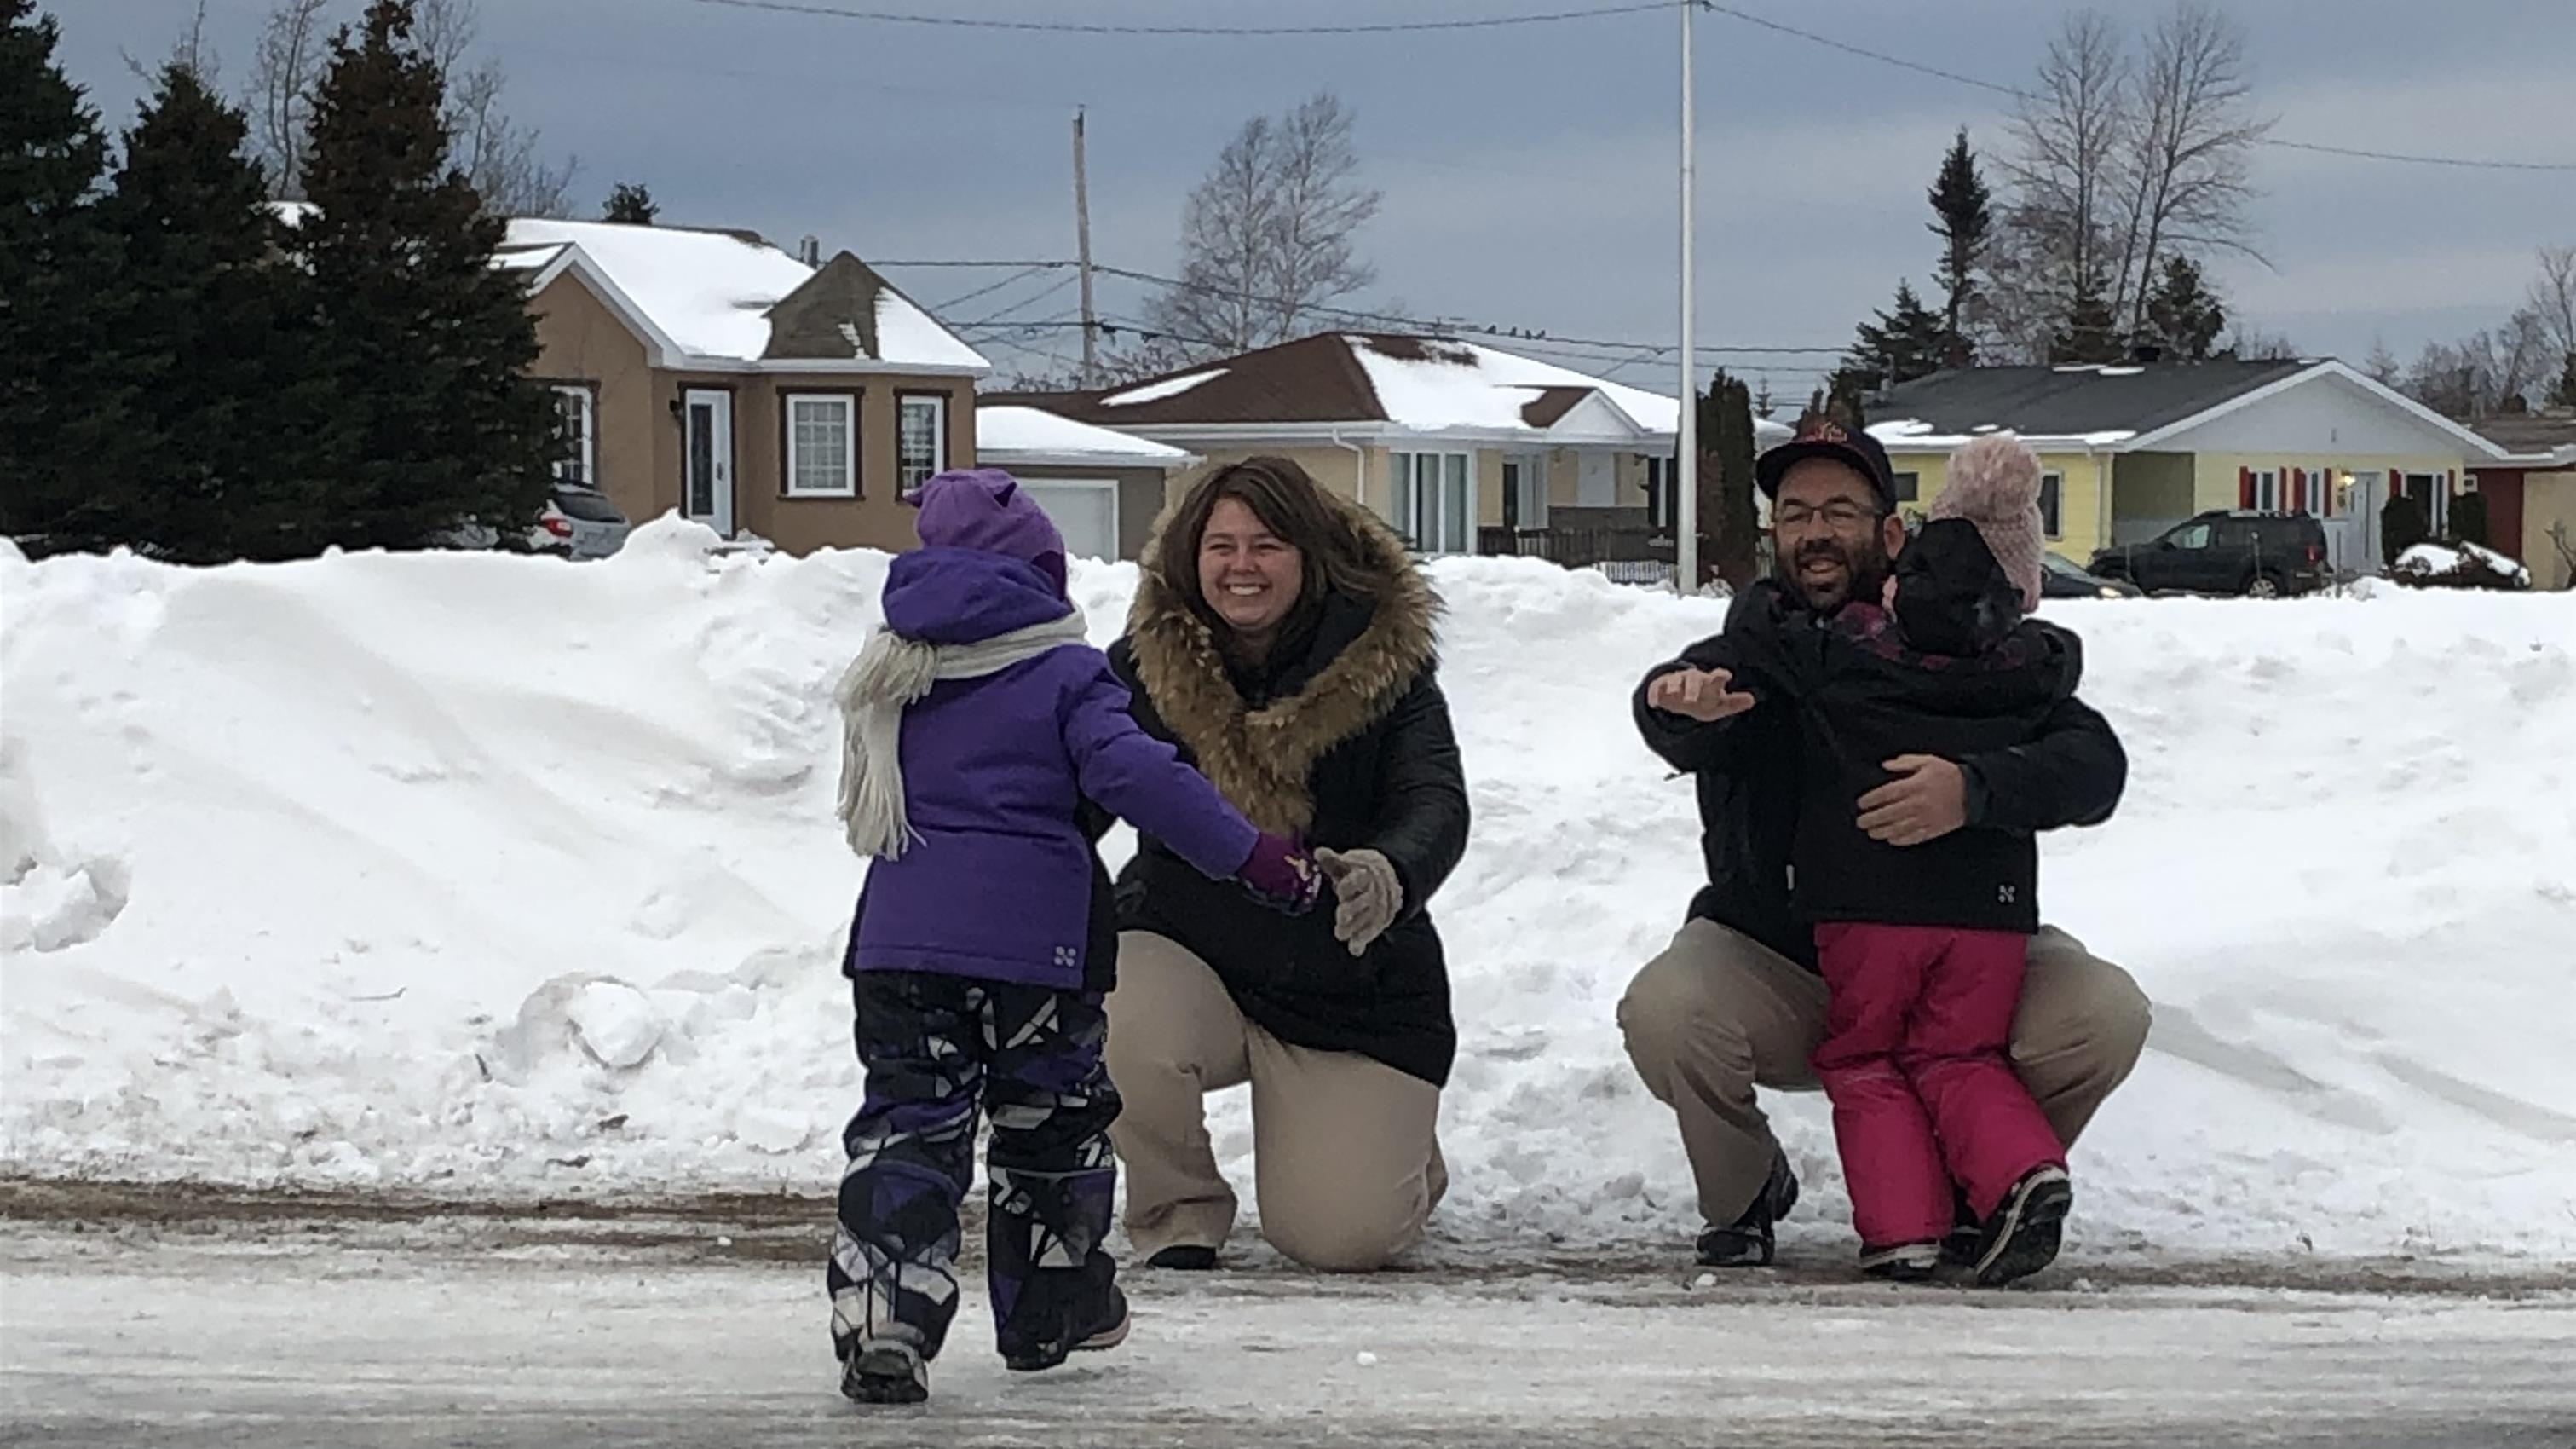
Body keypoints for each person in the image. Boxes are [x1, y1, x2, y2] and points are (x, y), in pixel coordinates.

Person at [825, 468, 1320, 1405]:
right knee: (1048, 1131)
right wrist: (1254, 856)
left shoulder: (894, 663)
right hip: (1035, 960)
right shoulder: (1062, 671)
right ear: (1039, 571)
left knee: (906, 1132)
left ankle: (886, 1315)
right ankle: (1051, 1307)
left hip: (902, 949)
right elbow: (1143, 777)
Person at [1624, 418, 2152, 1272]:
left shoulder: (1974, 653)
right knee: (1668, 1009)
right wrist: (1672, 706)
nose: (1815, 532)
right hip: (1788, 963)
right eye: (1793, 514)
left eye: (1838, 510)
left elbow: (2091, 764)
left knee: (2103, 1012)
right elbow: (1687, 709)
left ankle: (1981, 1193)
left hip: (1952, 952)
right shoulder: (1757, 644)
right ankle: (1745, 1188)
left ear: (1890, 531)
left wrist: (1973, 788)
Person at [1103, 456, 1470, 1273]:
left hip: (1349, 980)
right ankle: (1179, 1209)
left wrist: (1389, 873)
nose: (1241, 567)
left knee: (1340, 1241)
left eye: (1265, 544)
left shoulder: (1385, 659)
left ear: (1308, 555)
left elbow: (1434, 799)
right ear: (1190, 558)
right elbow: (1070, 790)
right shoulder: (1140, 665)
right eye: (1221, 545)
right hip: (1186, 947)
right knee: (1106, 1004)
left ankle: (1393, 1155)